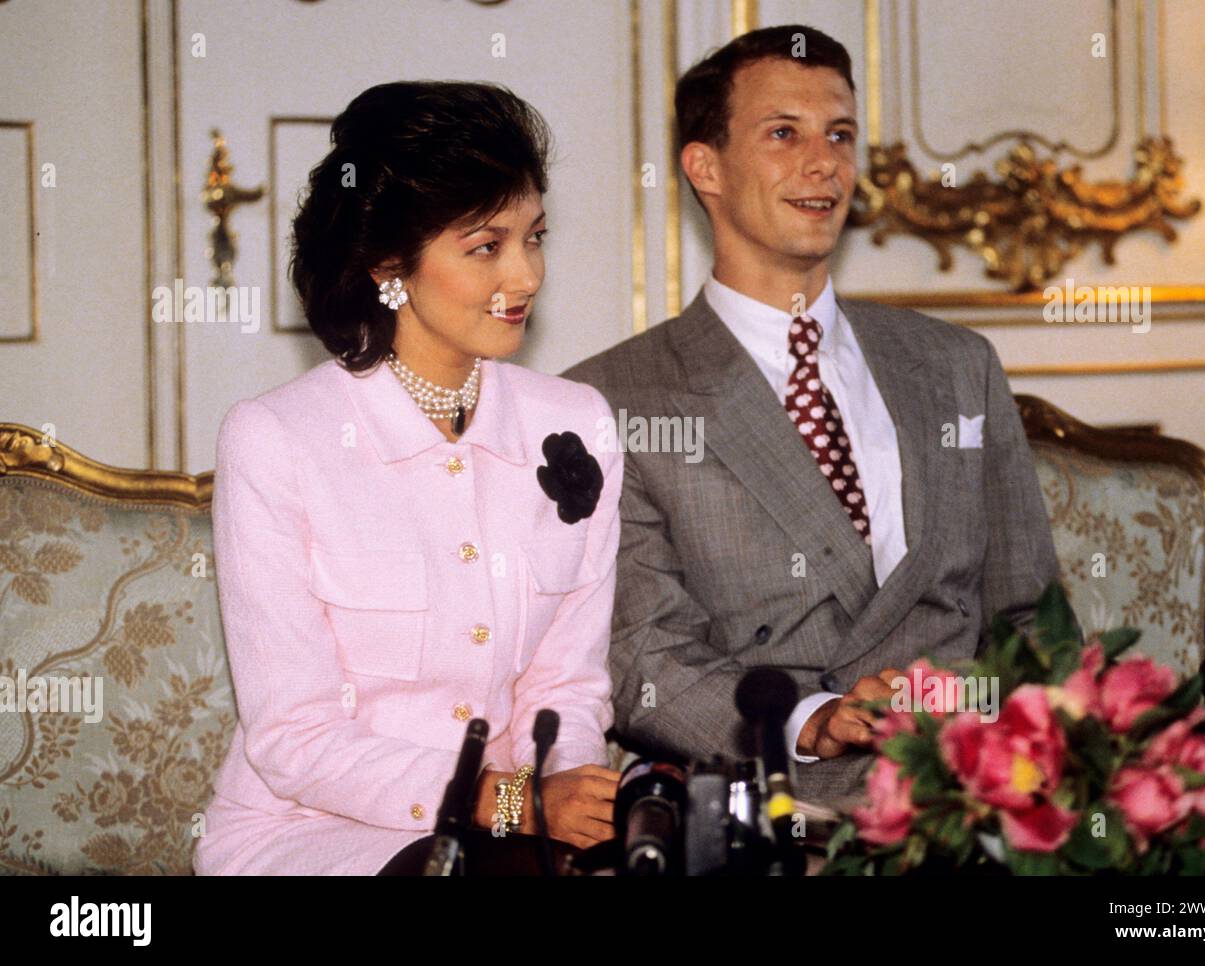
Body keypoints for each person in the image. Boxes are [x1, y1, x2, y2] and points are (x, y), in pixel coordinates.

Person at [563, 26, 1059, 803]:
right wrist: (813, 720)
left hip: (977, 796)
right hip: (779, 801)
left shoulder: (959, 366)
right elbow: (643, 657)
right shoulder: (614, 400)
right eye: (783, 134)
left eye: (841, 135)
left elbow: (1032, 616)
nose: (823, 163)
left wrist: (1023, 751)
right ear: (705, 167)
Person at [194, 81, 624, 875]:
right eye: (486, 246)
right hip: (311, 835)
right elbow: (296, 737)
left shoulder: (580, 424)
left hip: (506, 843)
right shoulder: (278, 439)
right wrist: (511, 806)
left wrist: (563, 804)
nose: (526, 275)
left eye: (535, 236)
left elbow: (568, 682)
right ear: (390, 267)